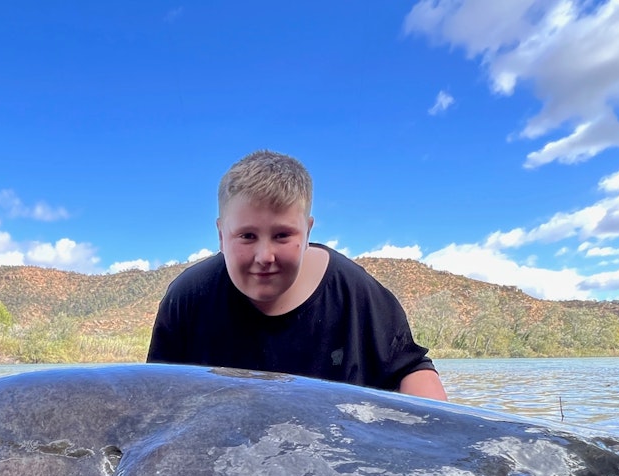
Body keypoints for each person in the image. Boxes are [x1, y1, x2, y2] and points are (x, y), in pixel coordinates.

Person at [147, 150, 447, 400]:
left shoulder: (354, 292)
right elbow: (154, 397)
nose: (265, 256)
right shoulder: (188, 299)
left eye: (282, 235)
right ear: (221, 236)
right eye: (247, 236)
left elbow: (412, 369)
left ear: (307, 233)